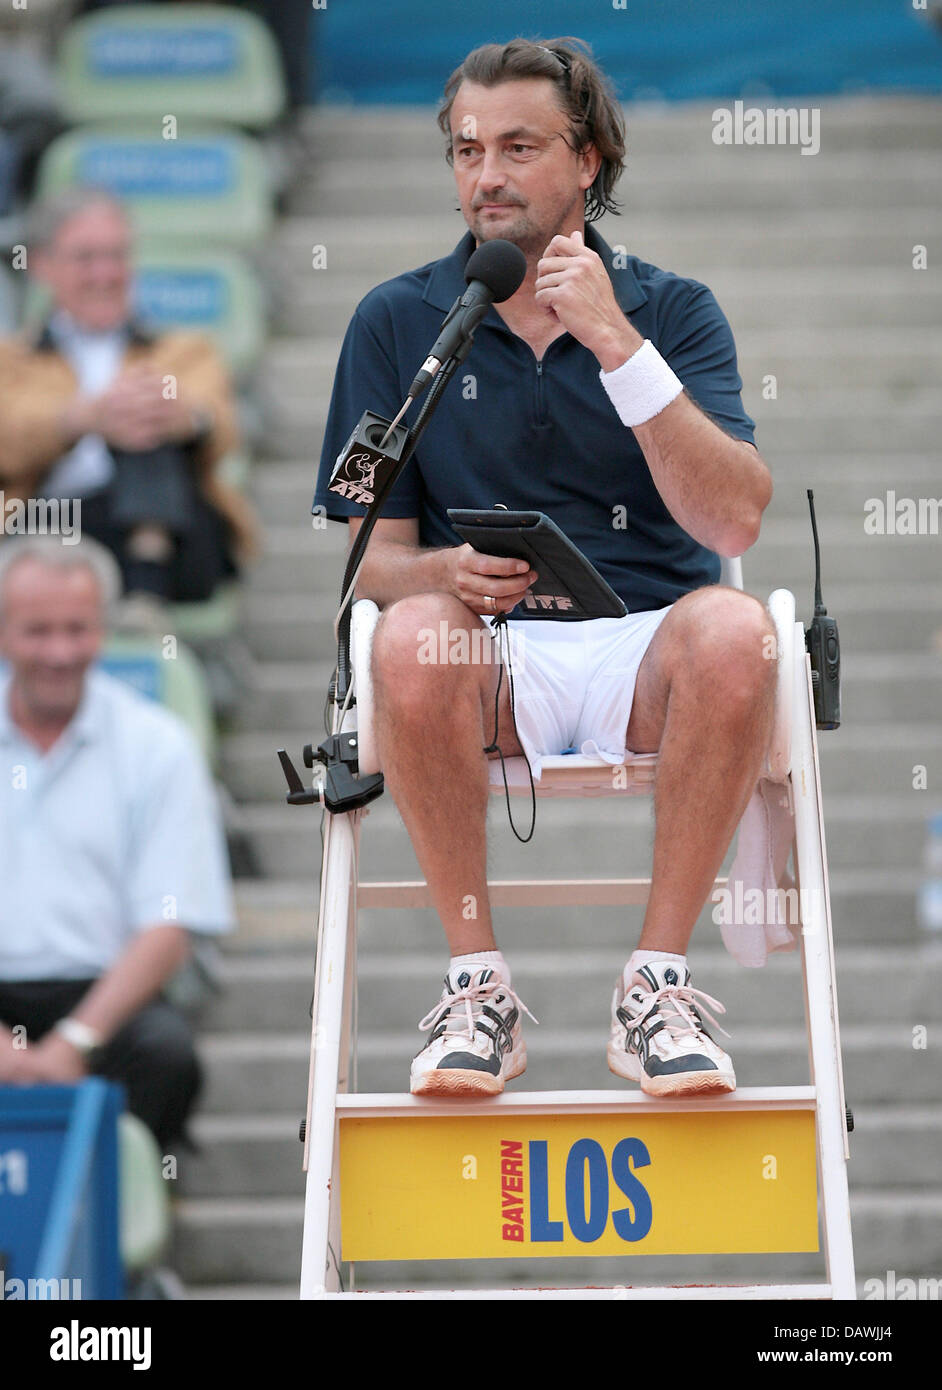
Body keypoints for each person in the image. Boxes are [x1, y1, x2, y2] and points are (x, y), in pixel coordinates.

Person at [312, 38, 776, 1100]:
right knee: (411, 635)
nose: (486, 175)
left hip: (650, 647)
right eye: (467, 150)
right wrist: (437, 573)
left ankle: (656, 991)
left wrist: (618, 344)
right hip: (487, 661)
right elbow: (366, 563)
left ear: (591, 162)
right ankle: (476, 988)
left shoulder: (673, 310)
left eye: (519, 146)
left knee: (739, 631)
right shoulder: (395, 317)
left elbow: (735, 518)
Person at [0, 536, 234, 1150]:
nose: (59, 652)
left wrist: (73, 1042)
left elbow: (169, 923)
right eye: (37, 631)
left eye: (77, 629)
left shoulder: (155, 745)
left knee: (167, 1055)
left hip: (105, 1001)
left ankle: (116, 1229)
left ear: (103, 630)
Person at [0, 188, 258, 608]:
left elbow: (222, 424)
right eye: (86, 258)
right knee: (131, 412)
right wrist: (80, 419)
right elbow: (7, 439)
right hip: (53, 527)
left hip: (181, 539)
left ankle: (147, 585)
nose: (105, 274)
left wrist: (186, 418)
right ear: (43, 265)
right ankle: (143, 591)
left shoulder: (184, 348)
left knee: (143, 413)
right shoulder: (10, 359)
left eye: (116, 256)